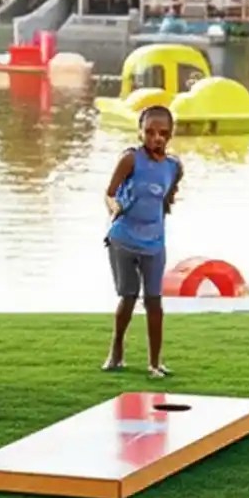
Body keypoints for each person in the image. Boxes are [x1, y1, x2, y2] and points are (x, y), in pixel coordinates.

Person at [102, 106, 184, 379]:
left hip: (154, 243)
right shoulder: (130, 159)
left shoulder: (174, 167)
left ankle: (155, 363)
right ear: (141, 131)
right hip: (123, 239)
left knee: (154, 301)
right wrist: (114, 208)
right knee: (128, 296)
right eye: (150, 132)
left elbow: (166, 198)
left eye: (162, 133)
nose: (156, 138)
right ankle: (116, 352)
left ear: (171, 134)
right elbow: (110, 193)